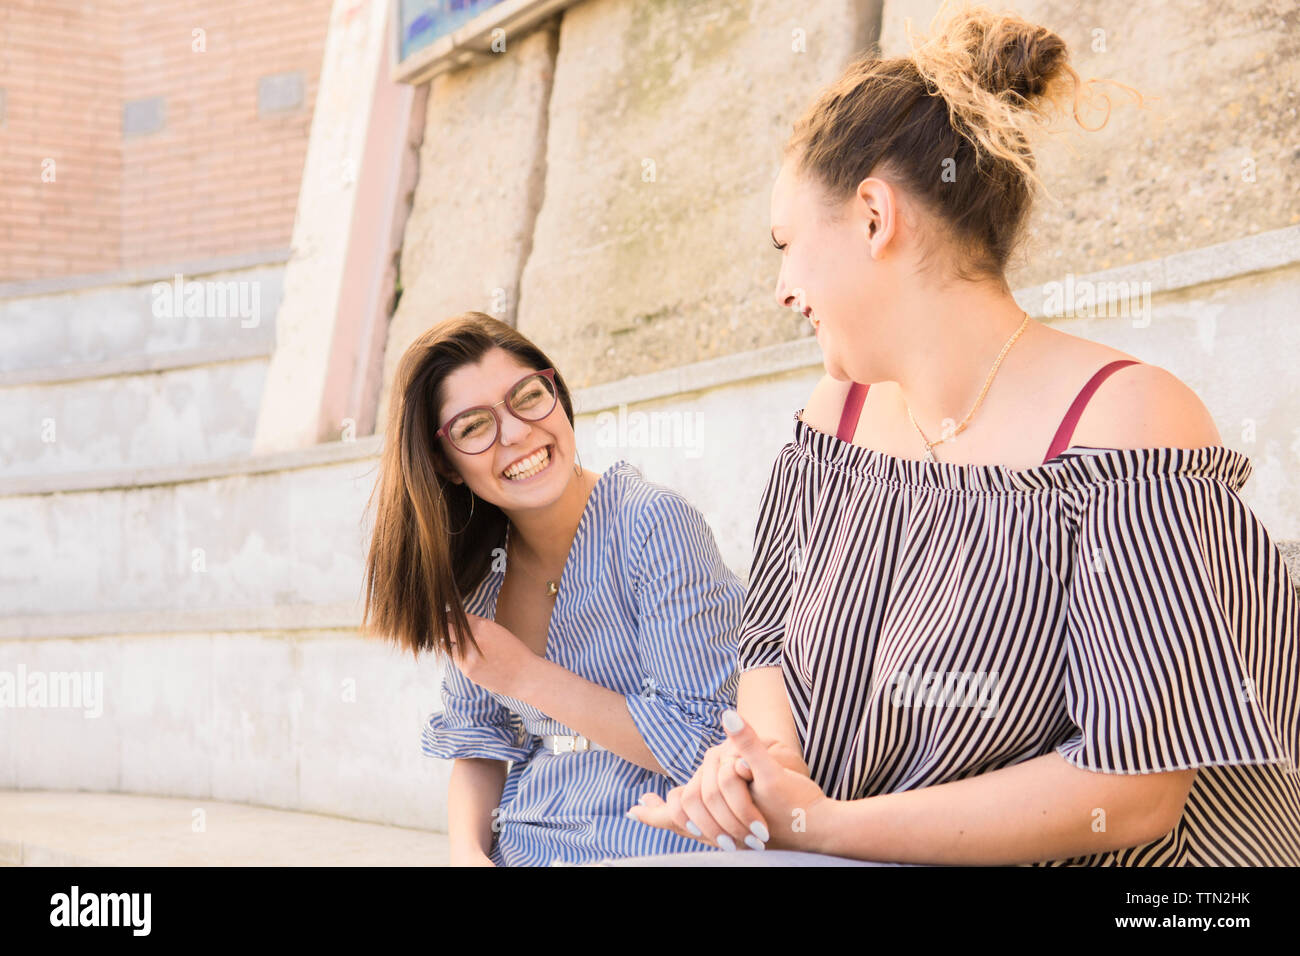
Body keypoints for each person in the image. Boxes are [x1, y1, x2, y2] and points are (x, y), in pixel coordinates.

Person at [624, 3, 1300, 865]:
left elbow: (1132, 792)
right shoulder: (835, 421)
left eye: (786, 244)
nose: (783, 290)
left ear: (874, 216)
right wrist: (769, 772)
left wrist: (824, 827)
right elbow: (766, 648)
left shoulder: (1125, 421)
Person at [363, 312, 745, 866]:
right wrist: (468, 855)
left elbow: (704, 742)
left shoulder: (653, 526)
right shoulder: (477, 578)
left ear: (557, 396)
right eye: (473, 426)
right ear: (444, 465)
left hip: (658, 838)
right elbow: (478, 746)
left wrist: (524, 676)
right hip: (526, 843)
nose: (517, 432)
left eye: (527, 396)